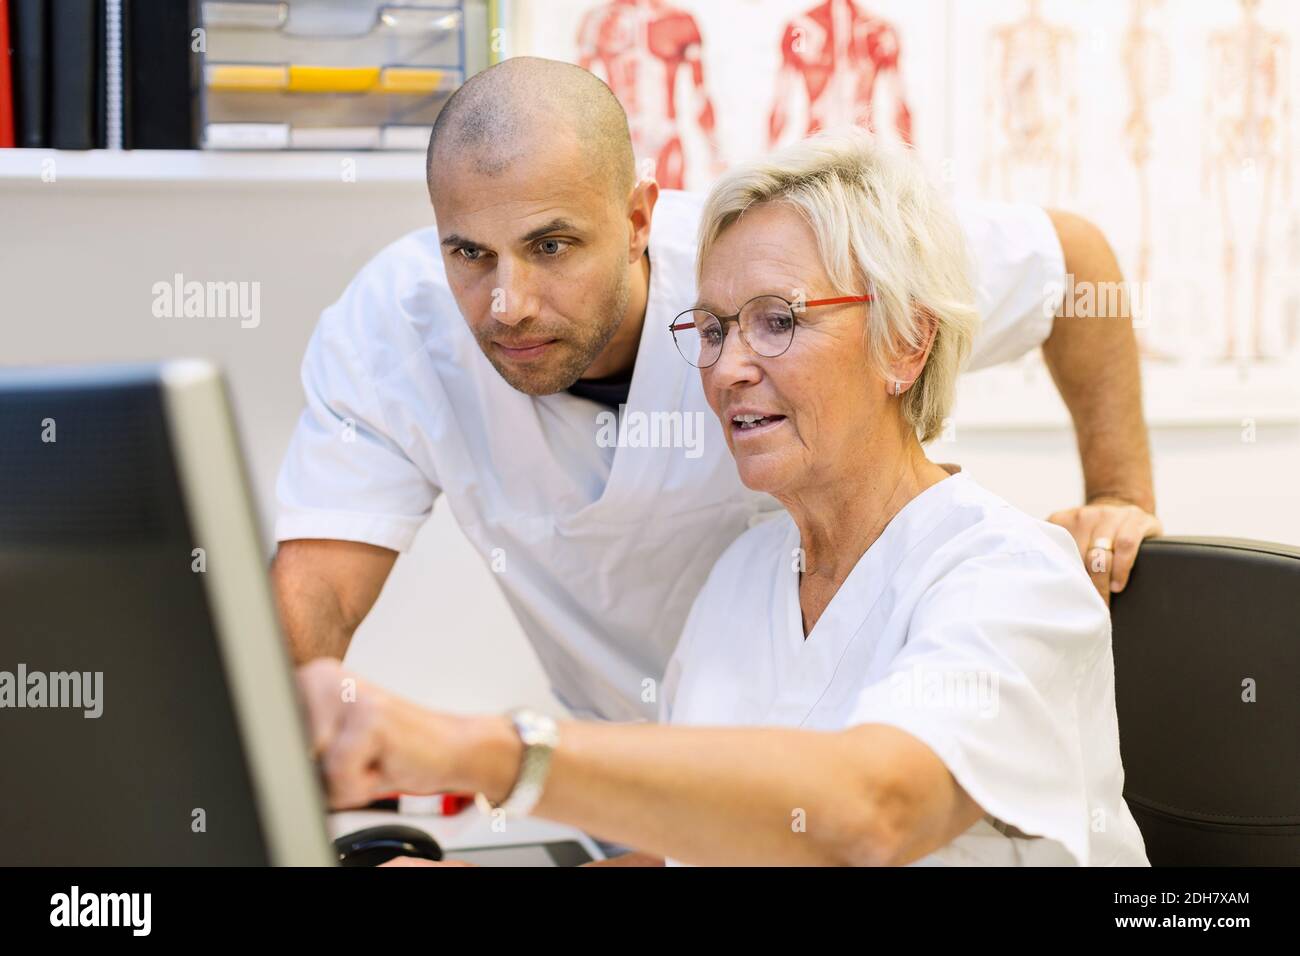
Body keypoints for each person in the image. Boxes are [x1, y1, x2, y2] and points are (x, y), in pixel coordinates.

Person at [299, 130, 1149, 866]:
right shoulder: (741, 581)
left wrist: (480, 752)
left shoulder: (1011, 578)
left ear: (905, 340)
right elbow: (691, 856)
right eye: (711, 329)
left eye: (778, 319)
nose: (728, 365)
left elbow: (873, 812)